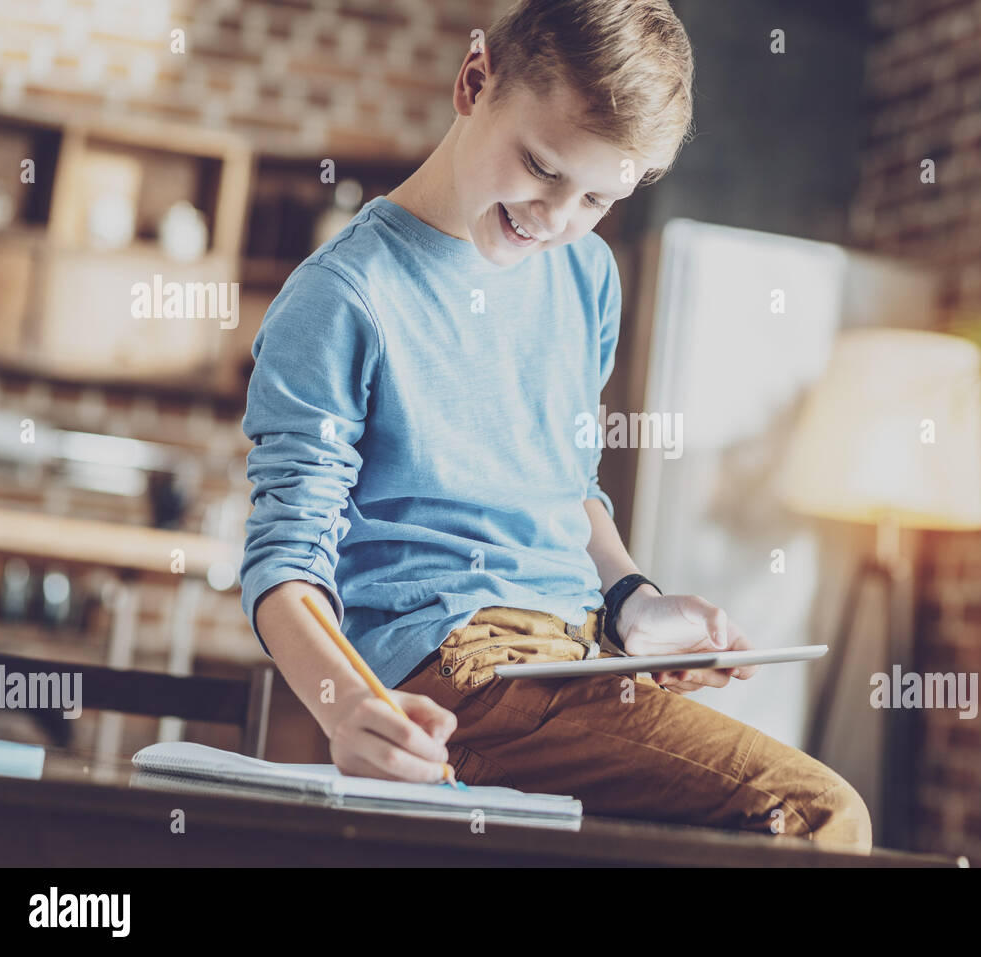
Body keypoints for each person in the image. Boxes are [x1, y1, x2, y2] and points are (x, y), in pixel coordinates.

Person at [240, 0, 870, 852]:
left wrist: (631, 602)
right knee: (817, 814)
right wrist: (345, 703)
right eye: (540, 166)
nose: (555, 217)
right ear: (474, 82)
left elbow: (566, 486)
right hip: (455, 670)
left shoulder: (585, 275)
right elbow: (285, 562)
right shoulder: (345, 296)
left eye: (598, 197)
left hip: (578, 660)